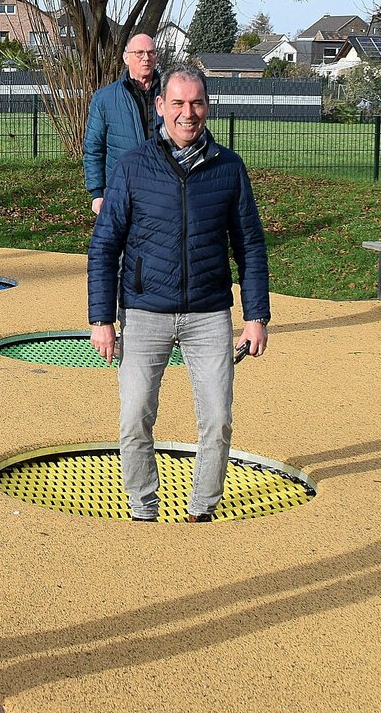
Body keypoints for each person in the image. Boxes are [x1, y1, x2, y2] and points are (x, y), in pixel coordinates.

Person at [87, 65, 270, 523]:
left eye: (197, 103)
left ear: (207, 107)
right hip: (145, 310)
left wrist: (256, 316)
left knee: (217, 420)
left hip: (209, 314)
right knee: (134, 419)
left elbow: (249, 242)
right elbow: (105, 244)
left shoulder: (228, 167)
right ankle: (142, 505)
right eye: (179, 103)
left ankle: (202, 508)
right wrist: (101, 318)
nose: (188, 114)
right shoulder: (133, 166)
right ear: (161, 106)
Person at [83, 33, 162, 216]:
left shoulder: (171, 95)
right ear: (126, 57)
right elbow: (94, 148)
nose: (146, 58)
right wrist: (97, 193)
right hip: (121, 192)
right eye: (139, 53)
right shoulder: (104, 98)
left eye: (151, 52)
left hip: (163, 192)